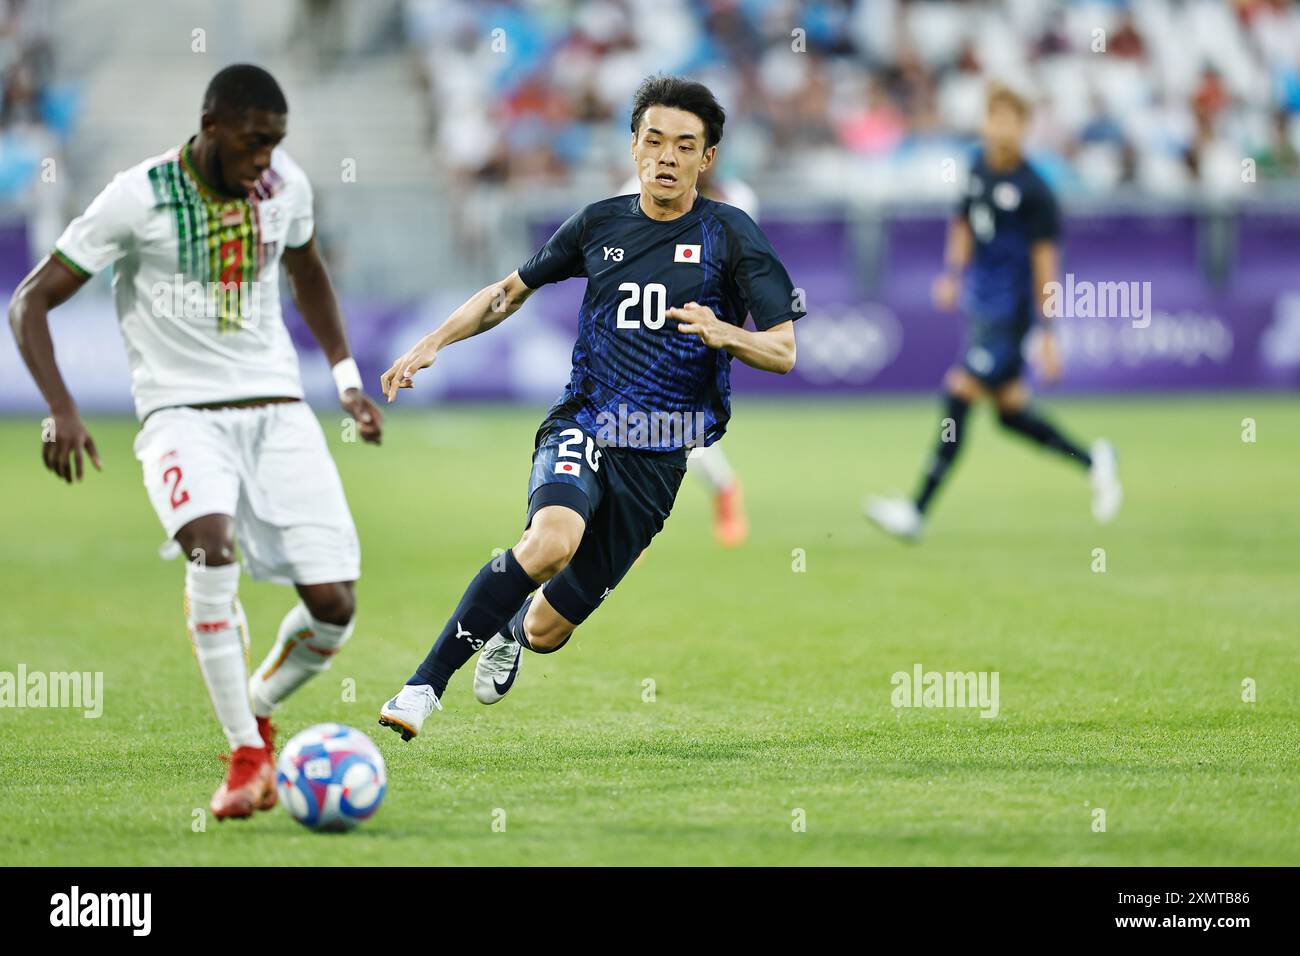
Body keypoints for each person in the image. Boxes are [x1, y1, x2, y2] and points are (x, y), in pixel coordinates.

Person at [377, 75, 801, 740]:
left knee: (548, 630)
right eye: (653, 140)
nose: (666, 156)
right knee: (549, 543)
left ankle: (511, 628)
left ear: (707, 158)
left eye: (683, 145)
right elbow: (508, 292)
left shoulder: (732, 235)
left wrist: (727, 333)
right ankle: (423, 686)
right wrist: (433, 341)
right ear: (633, 146)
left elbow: (783, 350)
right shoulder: (599, 223)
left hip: (660, 453)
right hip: (586, 421)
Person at [8, 64, 383, 818]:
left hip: (278, 409)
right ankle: (246, 755)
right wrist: (60, 409)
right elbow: (30, 301)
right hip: (179, 414)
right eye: (253, 142)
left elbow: (308, 271)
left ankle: (258, 706)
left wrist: (346, 378)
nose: (264, 159)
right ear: (212, 126)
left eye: (275, 142)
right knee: (211, 549)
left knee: (334, 606)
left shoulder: (284, 186)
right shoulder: (137, 196)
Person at [866, 83, 1121, 541]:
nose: (999, 128)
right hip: (982, 306)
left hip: (1011, 314)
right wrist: (953, 273)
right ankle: (1094, 462)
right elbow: (963, 222)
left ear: (1024, 127)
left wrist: (1048, 332)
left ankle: (916, 510)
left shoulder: (1036, 191)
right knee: (1010, 411)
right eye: (993, 118)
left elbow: (1046, 265)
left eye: (1009, 120)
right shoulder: (977, 168)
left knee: (959, 390)